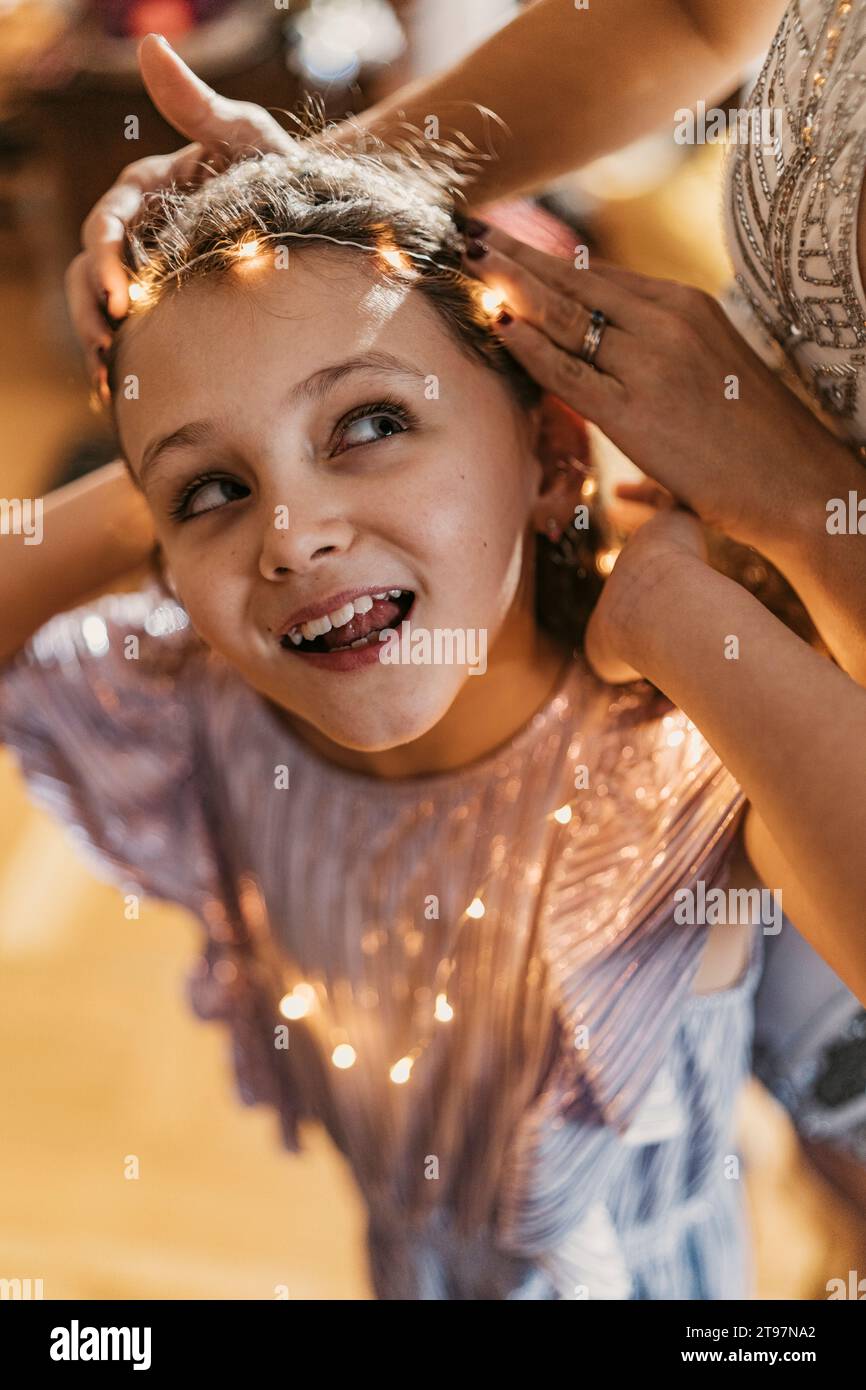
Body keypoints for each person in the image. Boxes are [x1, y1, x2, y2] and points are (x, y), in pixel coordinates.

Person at [65, 8, 866, 1197]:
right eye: (218, 492)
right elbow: (691, 14)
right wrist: (200, 401)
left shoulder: (687, 757)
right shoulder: (191, 696)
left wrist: (723, 588)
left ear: (551, 453)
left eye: (372, 423)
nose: (293, 536)